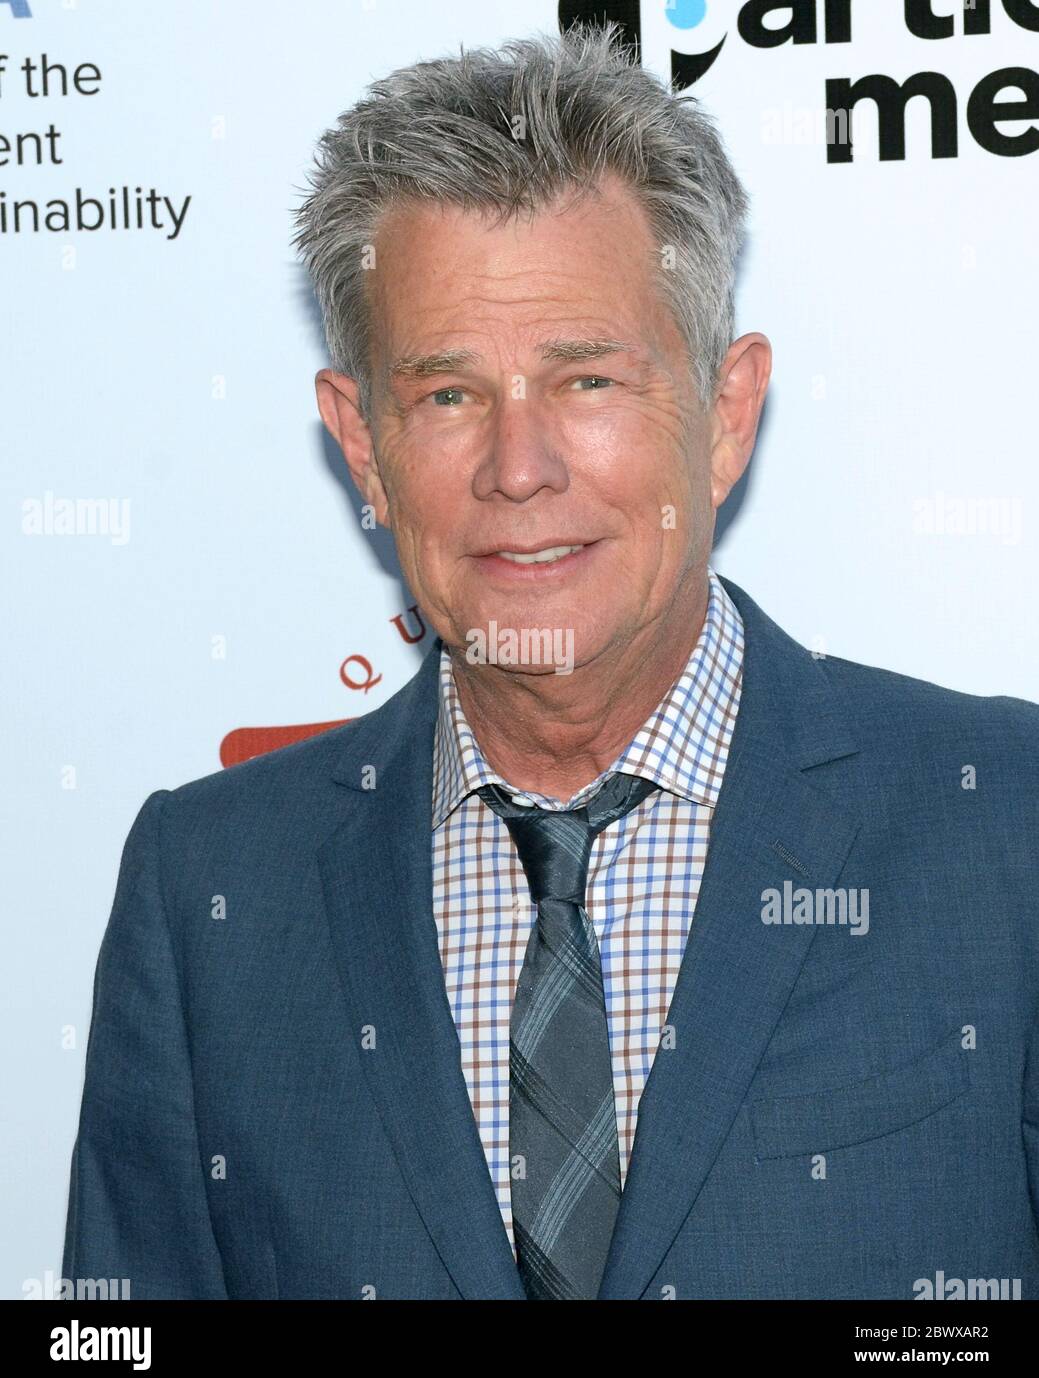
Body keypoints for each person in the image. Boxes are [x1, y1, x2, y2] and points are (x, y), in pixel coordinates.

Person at [62, 23, 1039, 1300]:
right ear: (361, 444)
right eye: (449, 395)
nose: (517, 469)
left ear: (725, 413)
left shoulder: (1002, 821)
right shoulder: (208, 896)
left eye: (586, 379)